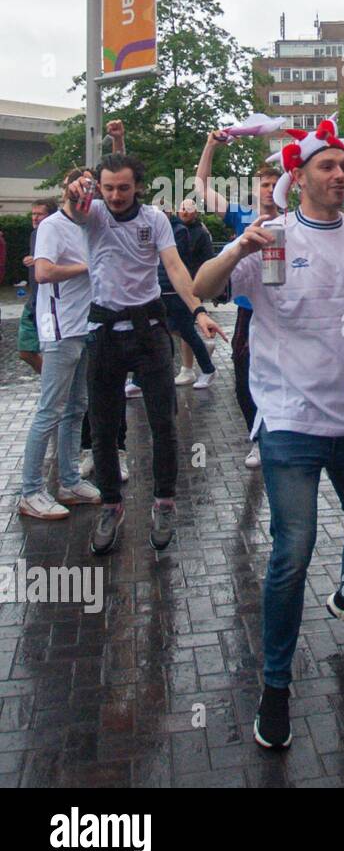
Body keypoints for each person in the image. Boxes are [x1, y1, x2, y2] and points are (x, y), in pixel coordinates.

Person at [193, 116, 344, 751]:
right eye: (328, 167)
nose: (341, 175)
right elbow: (199, 291)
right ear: (299, 177)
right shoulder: (273, 239)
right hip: (290, 421)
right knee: (291, 553)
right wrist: (236, 251)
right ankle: (275, 687)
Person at [64, 154, 224, 555]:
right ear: (98, 188)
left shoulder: (154, 219)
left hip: (150, 332)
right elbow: (73, 208)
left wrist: (198, 311)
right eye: (108, 187)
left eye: (123, 187)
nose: (115, 195)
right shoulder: (93, 213)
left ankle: (164, 502)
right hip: (103, 333)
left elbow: (173, 266)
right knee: (102, 428)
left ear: (136, 186)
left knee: (163, 424)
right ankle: (111, 505)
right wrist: (71, 195)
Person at [18, 176, 103, 519]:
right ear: (71, 196)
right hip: (59, 329)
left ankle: (69, 481)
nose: (89, 207)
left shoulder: (88, 224)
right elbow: (43, 272)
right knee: (49, 410)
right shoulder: (52, 226)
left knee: (76, 406)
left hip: (83, 325)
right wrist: (87, 267)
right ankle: (31, 491)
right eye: (84, 199)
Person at [198, 131, 284, 468]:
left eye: (274, 183)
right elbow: (202, 187)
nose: (268, 190)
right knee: (243, 372)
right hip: (251, 311)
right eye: (263, 184)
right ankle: (257, 437)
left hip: (287, 310)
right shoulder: (241, 214)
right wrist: (210, 146)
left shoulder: (297, 218)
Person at [160, 200, 218, 390]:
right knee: (175, 329)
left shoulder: (193, 232)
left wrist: (203, 285)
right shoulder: (170, 229)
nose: (185, 211)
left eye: (189, 209)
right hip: (168, 288)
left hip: (187, 287)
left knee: (185, 330)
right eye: (183, 208)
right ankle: (190, 367)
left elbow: (202, 261)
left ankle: (203, 368)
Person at [17, 199, 55, 375]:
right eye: (33, 214)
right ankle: (50, 379)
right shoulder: (34, 235)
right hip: (33, 300)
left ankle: (56, 384)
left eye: (39, 214)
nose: (35, 218)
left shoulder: (56, 233)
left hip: (49, 303)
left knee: (52, 351)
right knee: (25, 351)